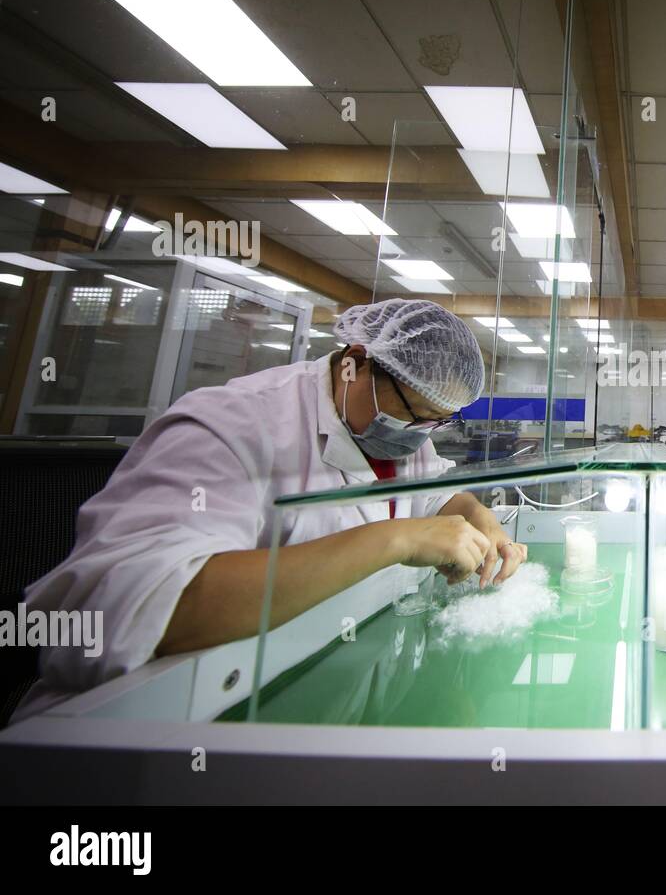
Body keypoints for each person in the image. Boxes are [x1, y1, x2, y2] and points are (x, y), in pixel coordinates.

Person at [17, 298, 524, 718]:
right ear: (358, 361)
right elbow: (125, 614)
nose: (418, 432)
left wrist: (474, 514)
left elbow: (432, 496)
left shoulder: (405, 437)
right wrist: (391, 541)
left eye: (438, 421)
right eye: (416, 412)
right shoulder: (232, 424)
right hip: (134, 730)